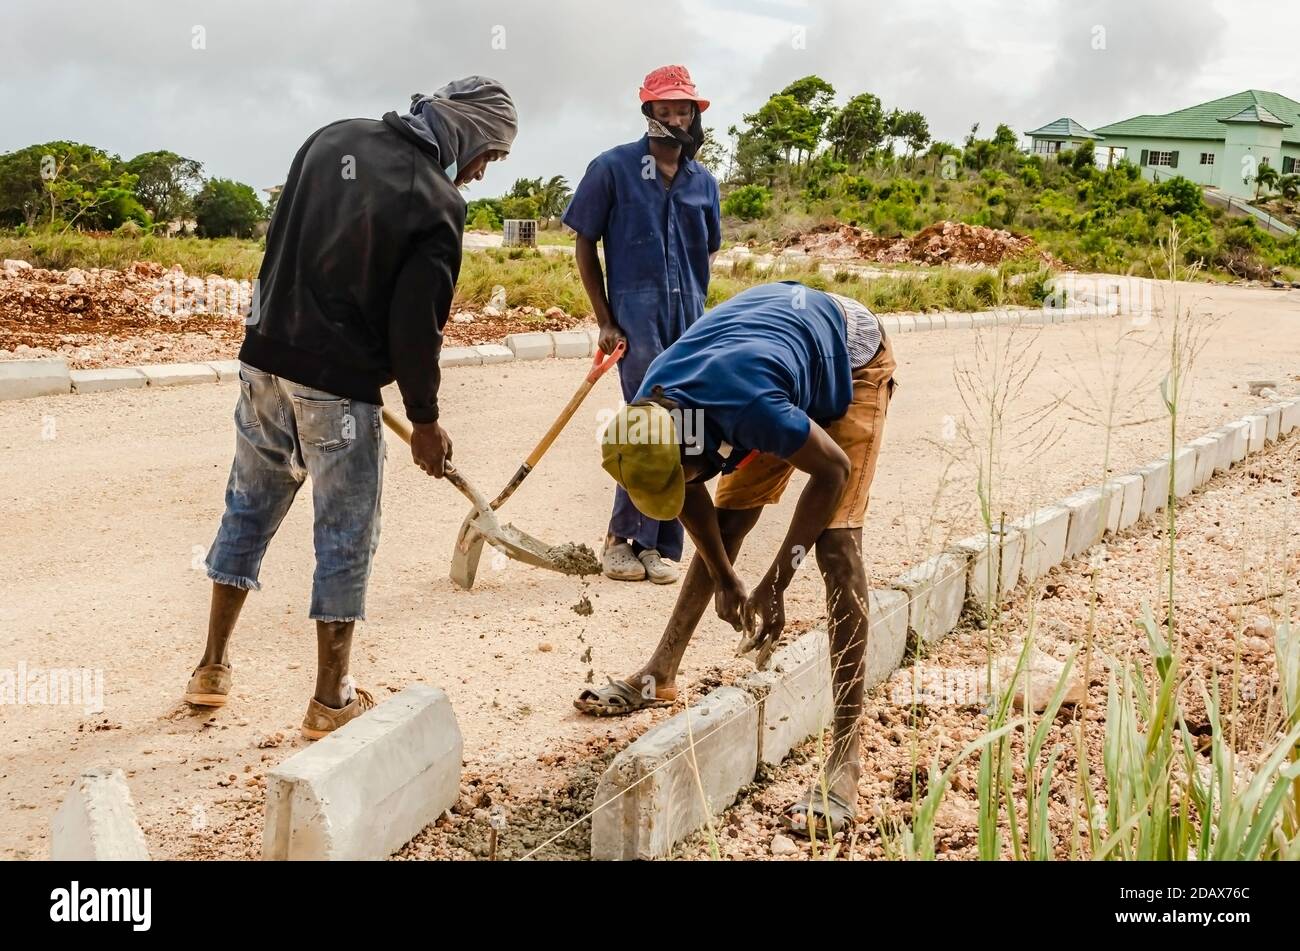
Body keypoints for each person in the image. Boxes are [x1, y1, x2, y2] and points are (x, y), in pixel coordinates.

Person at [184, 77, 517, 739]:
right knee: (345, 536)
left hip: (263, 363)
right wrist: (424, 419)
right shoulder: (436, 202)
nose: (482, 172)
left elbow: (277, 248)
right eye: (492, 155)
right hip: (337, 392)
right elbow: (416, 327)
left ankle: (211, 668)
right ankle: (331, 698)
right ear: (471, 132)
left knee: (247, 508)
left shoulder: (333, 137)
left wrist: (268, 338)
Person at [579, 281, 897, 838]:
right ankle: (661, 672)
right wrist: (727, 578)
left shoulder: (752, 408)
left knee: (837, 546)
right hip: (771, 363)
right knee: (727, 523)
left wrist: (775, 582)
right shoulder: (653, 409)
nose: (686, 489)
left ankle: (845, 756)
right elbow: (693, 496)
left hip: (851, 353)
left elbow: (832, 472)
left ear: (696, 448)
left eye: (685, 475)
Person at [563, 65, 721, 585]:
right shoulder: (612, 168)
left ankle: (660, 544)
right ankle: (620, 540)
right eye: (665, 108)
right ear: (649, 111)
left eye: (684, 109)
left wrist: (696, 311)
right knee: (648, 425)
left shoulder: (703, 182)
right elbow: (584, 242)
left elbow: (709, 251)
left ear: (694, 116)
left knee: (689, 424)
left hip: (690, 323)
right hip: (636, 320)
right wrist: (605, 320)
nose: (675, 116)